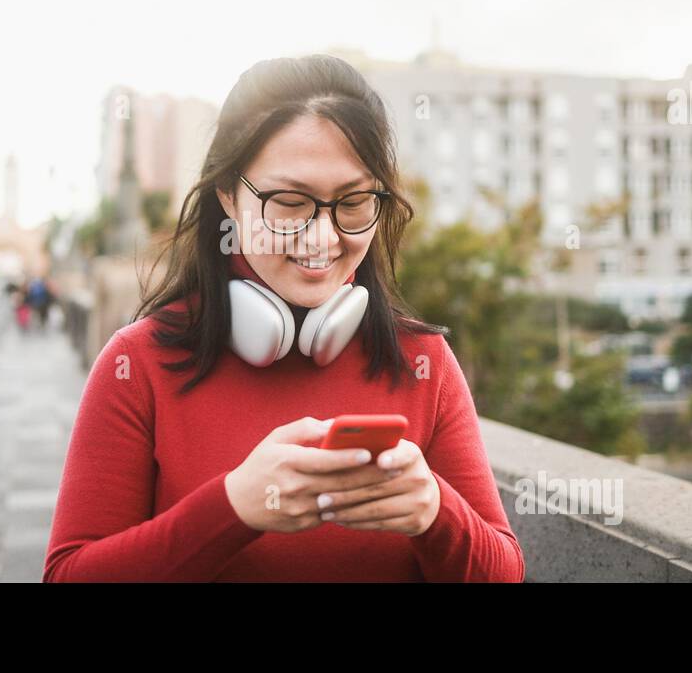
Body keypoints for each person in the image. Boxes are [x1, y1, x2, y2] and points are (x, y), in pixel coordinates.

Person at [43, 55, 525, 582]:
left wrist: (436, 513)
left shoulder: (423, 363)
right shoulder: (138, 364)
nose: (323, 239)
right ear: (227, 196)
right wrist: (231, 509)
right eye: (289, 202)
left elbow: (503, 572)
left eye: (354, 201)